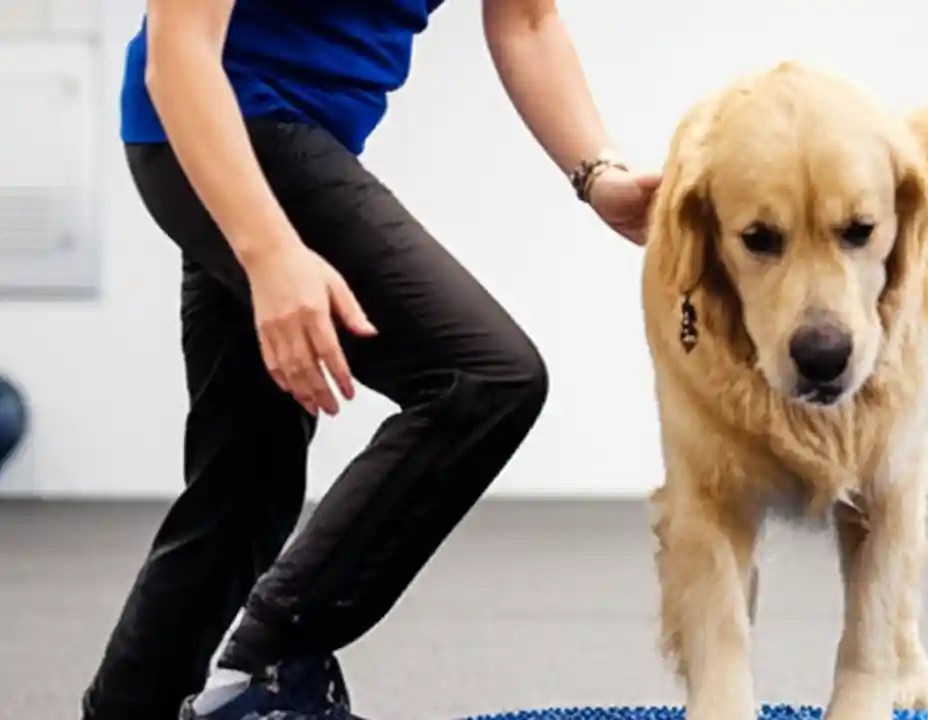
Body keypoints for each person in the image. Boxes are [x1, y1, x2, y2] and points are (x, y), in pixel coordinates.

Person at [80, 1, 660, 718]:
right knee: (481, 375)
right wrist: (271, 251)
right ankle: (265, 675)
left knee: (245, 481)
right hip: (217, 120)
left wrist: (599, 176)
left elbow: (527, 22)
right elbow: (180, 47)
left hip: (293, 140)